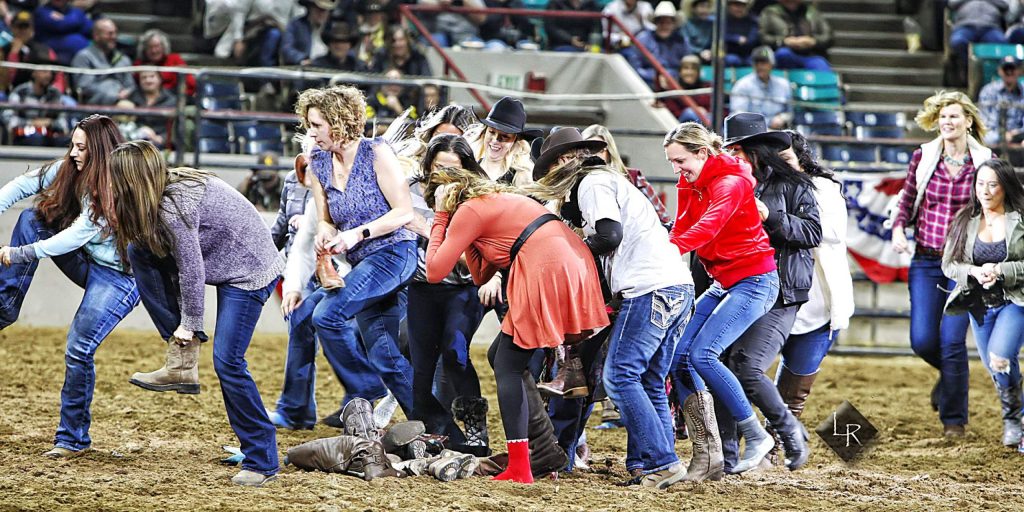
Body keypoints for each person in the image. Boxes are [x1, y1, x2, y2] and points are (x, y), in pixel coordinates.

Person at [107, 140, 283, 487]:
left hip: (250, 270)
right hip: (222, 258)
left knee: (228, 362)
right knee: (138, 251)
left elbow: (192, 269)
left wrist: (190, 324)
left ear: (130, 180)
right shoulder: (160, 197)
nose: (110, 185)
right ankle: (181, 362)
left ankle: (262, 460)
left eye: (115, 178)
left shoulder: (174, 206)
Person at [424, 165, 609, 485]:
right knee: (501, 355)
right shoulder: (490, 202)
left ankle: (523, 464)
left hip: (545, 263)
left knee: (508, 365)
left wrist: (441, 220)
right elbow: (481, 275)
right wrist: (466, 237)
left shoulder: (468, 211)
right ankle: (544, 450)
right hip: (566, 258)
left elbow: (434, 271)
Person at [531, 127, 693, 488]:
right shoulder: (609, 180)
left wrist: (566, 248)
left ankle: (663, 463)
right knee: (649, 379)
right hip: (675, 286)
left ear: (563, 161)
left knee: (620, 376)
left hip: (648, 288)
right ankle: (656, 463)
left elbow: (609, 235)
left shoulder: (592, 183)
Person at [0, 115, 137, 460]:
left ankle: (73, 439)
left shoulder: (114, 183)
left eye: (81, 147)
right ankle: (4, 306)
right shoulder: (70, 170)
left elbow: (77, 234)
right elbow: (20, 186)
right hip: (89, 260)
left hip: (120, 277)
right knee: (33, 217)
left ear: (100, 151)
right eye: (73, 145)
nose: (73, 153)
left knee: (79, 347)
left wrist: (20, 253)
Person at [289, 84, 419, 419]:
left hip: (394, 252)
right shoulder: (318, 163)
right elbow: (326, 220)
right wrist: (325, 235)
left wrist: (356, 234)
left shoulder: (376, 153)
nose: (311, 133)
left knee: (326, 315)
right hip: (364, 262)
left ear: (339, 121)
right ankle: (437, 427)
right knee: (386, 356)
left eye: (316, 125)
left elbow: (404, 212)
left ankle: (366, 387)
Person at [664, 121, 780, 478]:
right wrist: (667, 244)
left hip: (754, 279)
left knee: (702, 354)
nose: (676, 169)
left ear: (702, 153)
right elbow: (683, 224)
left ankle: (756, 435)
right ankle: (709, 447)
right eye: (671, 161)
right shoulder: (691, 180)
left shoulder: (730, 182)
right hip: (723, 280)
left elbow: (706, 229)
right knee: (679, 354)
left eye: (680, 160)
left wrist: (662, 253)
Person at [720, 112, 821, 472]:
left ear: (754, 152)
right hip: (738, 286)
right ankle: (728, 458)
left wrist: (770, 217)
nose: (731, 156)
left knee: (745, 366)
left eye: (737, 150)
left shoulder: (796, 186)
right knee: (719, 363)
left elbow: (812, 233)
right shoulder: (728, 185)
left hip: (781, 291)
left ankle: (787, 429)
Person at [889, 90, 992, 437]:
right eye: (943, 117)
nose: (948, 122)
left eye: (954, 117)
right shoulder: (924, 156)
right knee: (922, 341)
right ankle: (949, 381)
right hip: (927, 259)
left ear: (968, 121)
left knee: (951, 343)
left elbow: (995, 208)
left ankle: (954, 421)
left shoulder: (984, 161)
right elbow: (906, 198)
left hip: (966, 264)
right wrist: (897, 229)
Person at [407, 135, 490, 455]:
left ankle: (475, 428)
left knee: (456, 353)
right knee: (421, 367)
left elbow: (472, 252)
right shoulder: (411, 190)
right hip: (421, 286)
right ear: (428, 165)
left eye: (453, 169)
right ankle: (437, 432)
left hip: (462, 287)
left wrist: (432, 232)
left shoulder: (476, 198)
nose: (443, 174)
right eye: (438, 166)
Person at [775, 129, 854, 457]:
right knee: (748, 370)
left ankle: (778, 443)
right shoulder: (763, 187)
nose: (783, 167)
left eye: (788, 159)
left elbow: (832, 232)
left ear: (802, 159)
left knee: (799, 377)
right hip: (772, 292)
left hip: (817, 297)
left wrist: (783, 222)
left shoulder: (824, 188)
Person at [943, 158, 1024, 448]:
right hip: (979, 302)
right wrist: (974, 272)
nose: (986, 191)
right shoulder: (965, 219)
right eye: (981, 184)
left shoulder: (1020, 217)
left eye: (993, 184)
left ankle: (1015, 421)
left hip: (1016, 299)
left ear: (1006, 187)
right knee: (996, 366)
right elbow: (950, 264)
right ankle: (1018, 419)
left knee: (1001, 356)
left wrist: (1003, 270)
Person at [581, 123, 672, 225]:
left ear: (609, 151)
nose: (594, 154)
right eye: (588, 150)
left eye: (600, 149)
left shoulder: (633, 177)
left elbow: (663, 218)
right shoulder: (577, 182)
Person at [3, 49, 75, 147]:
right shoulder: (20, 92)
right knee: (37, 138)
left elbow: (63, 123)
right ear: (34, 73)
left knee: (67, 141)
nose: (48, 75)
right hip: (25, 134)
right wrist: (32, 123)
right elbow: (9, 119)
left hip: (49, 134)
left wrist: (49, 122)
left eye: (50, 72)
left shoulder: (55, 93)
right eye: (44, 71)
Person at [70, 18, 135, 106]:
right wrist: (114, 94)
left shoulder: (123, 59)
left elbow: (130, 85)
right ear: (96, 36)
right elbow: (84, 87)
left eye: (116, 33)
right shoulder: (84, 57)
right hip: (93, 107)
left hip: (120, 105)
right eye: (109, 34)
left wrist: (126, 92)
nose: (114, 37)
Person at [758, 0, 833, 71]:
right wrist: (784, 41)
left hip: (811, 55)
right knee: (783, 54)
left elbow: (828, 37)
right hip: (786, 52)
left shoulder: (812, 12)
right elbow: (763, 37)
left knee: (822, 67)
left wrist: (813, 41)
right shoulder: (770, 12)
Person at [629, 1, 690, 88]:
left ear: (674, 25)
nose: (665, 26)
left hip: (676, 84)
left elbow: (687, 67)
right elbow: (635, 68)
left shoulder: (682, 41)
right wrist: (656, 77)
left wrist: (670, 77)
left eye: (668, 23)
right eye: (661, 22)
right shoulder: (642, 40)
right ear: (655, 23)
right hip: (647, 85)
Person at [730, 46, 792, 130]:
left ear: (771, 64)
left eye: (764, 62)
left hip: (778, 133)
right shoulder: (742, 85)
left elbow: (789, 112)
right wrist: (764, 125)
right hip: (752, 134)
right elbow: (738, 116)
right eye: (756, 62)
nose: (760, 66)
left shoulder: (783, 85)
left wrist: (782, 117)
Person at [3, 10, 66, 93]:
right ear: (12, 28)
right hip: (13, 95)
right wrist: (13, 54)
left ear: (32, 29)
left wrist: (56, 90)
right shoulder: (4, 51)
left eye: (26, 26)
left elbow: (58, 74)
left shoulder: (45, 50)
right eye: (19, 26)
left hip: (45, 93)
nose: (22, 30)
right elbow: (6, 81)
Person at [133, 29, 196, 97]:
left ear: (163, 47)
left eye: (157, 46)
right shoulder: (139, 64)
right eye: (150, 47)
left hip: (173, 99)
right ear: (144, 49)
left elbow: (190, 85)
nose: (154, 51)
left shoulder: (175, 60)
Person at [978, 56, 1024, 147]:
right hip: (993, 134)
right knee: (988, 138)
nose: (1009, 72)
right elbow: (985, 121)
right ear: (999, 71)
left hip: (1017, 135)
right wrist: (1003, 136)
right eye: (1006, 68)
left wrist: (1016, 134)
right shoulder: (988, 91)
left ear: (1019, 71)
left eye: (1013, 68)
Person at [127, 70, 177, 148]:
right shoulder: (132, 97)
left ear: (160, 79)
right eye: (144, 78)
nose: (148, 80)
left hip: (162, 144)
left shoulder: (171, 100)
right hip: (135, 141)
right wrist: (141, 129)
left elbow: (175, 126)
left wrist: (162, 138)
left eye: (152, 76)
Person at [32, 0, 92, 64]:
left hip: (80, 57)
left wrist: (67, 19)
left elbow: (89, 28)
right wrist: (75, 19)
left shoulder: (75, 11)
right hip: (52, 55)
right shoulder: (41, 11)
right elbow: (61, 25)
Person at [282, 0, 336, 66]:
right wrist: (302, 59)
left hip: (329, 68)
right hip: (304, 68)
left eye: (325, 11)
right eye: (318, 10)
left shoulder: (333, 29)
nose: (322, 14)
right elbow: (287, 49)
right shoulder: (296, 25)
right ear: (310, 9)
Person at [664, 54, 712, 125]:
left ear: (698, 72)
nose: (690, 72)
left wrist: (704, 111)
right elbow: (673, 112)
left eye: (693, 69)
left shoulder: (706, 86)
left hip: (704, 120)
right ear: (680, 71)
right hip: (681, 125)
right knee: (690, 113)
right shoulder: (673, 87)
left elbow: (712, 107)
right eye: (686, 68)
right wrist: (696, 110)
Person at [724, 0, 758, 66]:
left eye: (743, 6)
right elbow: (721, 36)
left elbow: (752, 40)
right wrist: (736, 38)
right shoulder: (723, 19)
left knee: (753, 61)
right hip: (728, 53)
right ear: (729, 6)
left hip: (747, 54)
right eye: (736, 5)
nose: (739, 9)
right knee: (732, 60)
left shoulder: (752, 21)